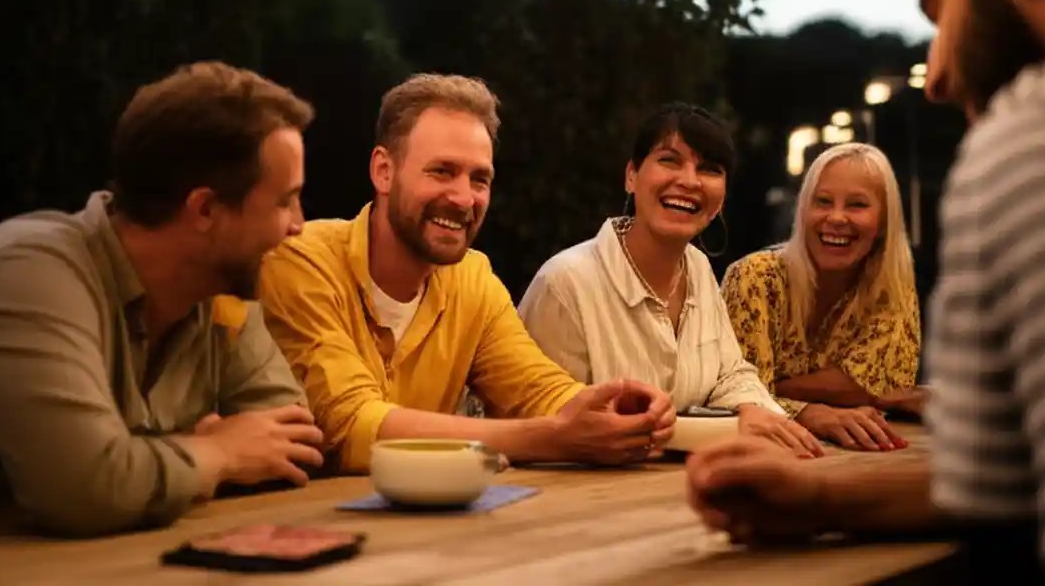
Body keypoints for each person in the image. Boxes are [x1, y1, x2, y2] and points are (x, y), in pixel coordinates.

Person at [687, 0, 1045, 580]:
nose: (942, 71)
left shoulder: (1039, 133)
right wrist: (823, 490)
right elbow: (997, 481)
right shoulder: (757, 275)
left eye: (943, 9)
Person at [0, 62, 326, 537]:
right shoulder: (28, 275)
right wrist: (220, 453)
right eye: (283, 201)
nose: (297, 224)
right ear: (205, 209)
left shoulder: (221, 293)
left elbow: (290, 446)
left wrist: (152, 465)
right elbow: (89, 491)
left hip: (117, 563)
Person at [257, 74, 676, 473]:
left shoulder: (472, 278)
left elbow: (536, 390)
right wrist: (552, 438)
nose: (463, 198)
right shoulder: (301, 259)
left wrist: (617, 412)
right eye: (442, 171)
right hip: (288, 528)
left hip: (424, 528)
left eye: (480, 179)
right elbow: (349, 426)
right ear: (383, 171)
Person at [519, 103, 822, 458]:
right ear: (631, 176)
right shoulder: (565, 282)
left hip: (681, 493)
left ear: (722, 197)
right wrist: (726, 428)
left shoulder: (698, 268)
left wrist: (751, 408)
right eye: (669, 160)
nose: (689, 181)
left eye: (709, 169)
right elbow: (556, 422)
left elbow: (730, 374)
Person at [720, 143, 919, 452]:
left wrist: (777, 388)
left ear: (883, 223)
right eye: (823, 201)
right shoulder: (754, 277)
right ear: (803, 211)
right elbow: (733, 396)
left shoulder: (892, 282)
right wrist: (811, 413)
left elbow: (873, 385)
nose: (836, 217)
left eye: (857, 205)